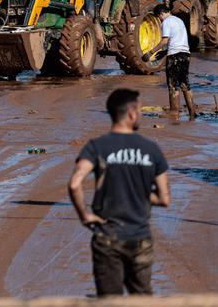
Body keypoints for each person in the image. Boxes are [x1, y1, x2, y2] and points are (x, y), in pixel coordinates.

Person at [68, 88, 170, 297]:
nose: (140, 114)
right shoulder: (151, 149)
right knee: (142, 299)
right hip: (140, 238)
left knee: (109, 300)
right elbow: (164, 198)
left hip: (107, 237)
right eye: (139, 110)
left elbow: (74, 184)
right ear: (131, 114)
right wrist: (139, 192)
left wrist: (84, 215)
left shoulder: (96, 146)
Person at [143, 4, 195, 119]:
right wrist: (164, 52)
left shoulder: (166, 22)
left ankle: (174, 112)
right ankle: (192, 113)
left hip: (174, 56)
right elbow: (177, 40)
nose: (160, 20)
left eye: (159, 17)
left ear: (161, 14)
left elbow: (164, 41)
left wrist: (150, 53)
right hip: (185, 54)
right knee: (185, 84)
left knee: (173, 85)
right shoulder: (179, 21)